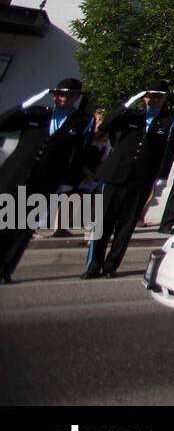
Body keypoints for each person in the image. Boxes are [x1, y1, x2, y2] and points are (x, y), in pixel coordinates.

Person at [0, 78, 96, 283]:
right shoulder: (37, 113)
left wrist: (69, 180)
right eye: (61, 94)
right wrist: (22, 106)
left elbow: (79, 153)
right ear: (54, 95)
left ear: (77, 98)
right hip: (15, 174)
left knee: (23, 228)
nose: (64, 99)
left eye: (70, 95)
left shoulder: (83, 120)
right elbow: (3, 123)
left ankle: (5, 269)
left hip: (45, 179)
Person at [85, 81, 174, 279]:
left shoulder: (169, 120)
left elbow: (169, 150)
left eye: (159, 97)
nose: (154, 100)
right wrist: (127, 104)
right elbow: (106, 126)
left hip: (141, 178)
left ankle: (111, 265)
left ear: (164, 99)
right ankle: (93, 265)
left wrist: (162, 176)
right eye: (151, 96)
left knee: (126, 225)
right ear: (144, 97)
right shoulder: (131, 116)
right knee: (102, 222)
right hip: (114, 175)